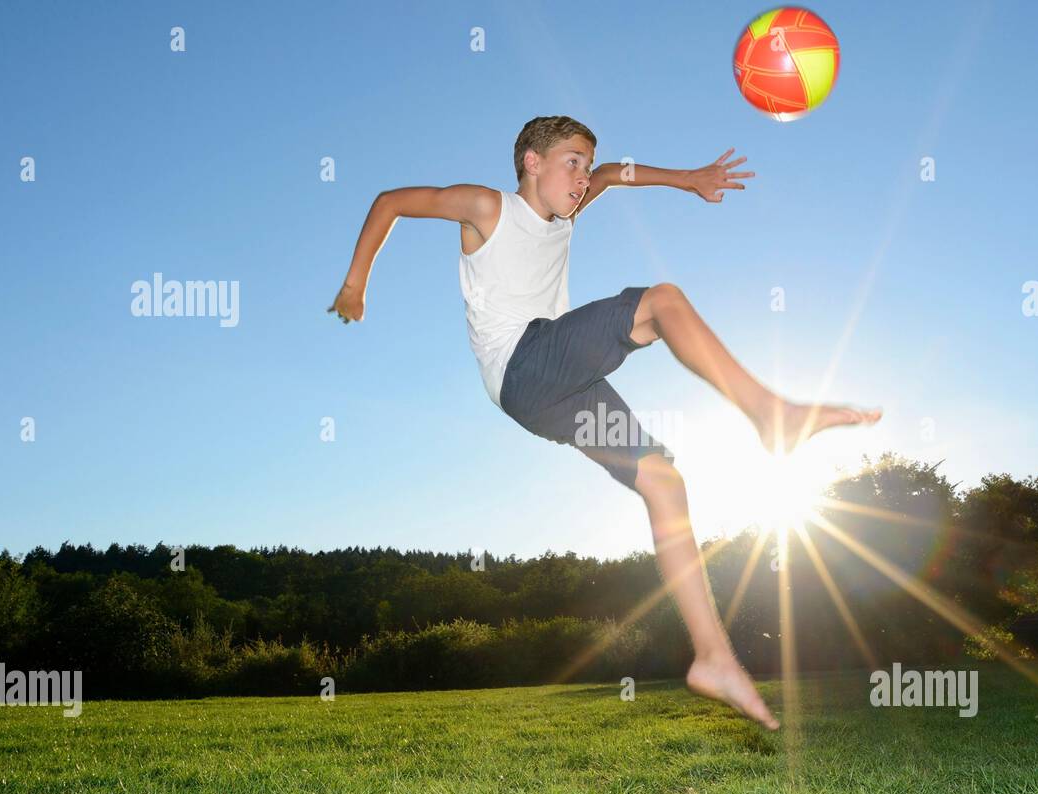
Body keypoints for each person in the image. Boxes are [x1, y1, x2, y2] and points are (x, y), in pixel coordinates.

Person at [328, 115, 882, 730]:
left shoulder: (568, 207)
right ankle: (771, 416)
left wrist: (690, 179)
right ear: (532, 163)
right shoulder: (487, 208)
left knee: (664, 482)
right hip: (525, 362)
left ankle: (713, 656)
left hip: (554, 395)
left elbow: (618, 174)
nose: (582, 176)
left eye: (585, 164)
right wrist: (356, 286)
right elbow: (392, 202)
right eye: (571, 161)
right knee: (661, 301)